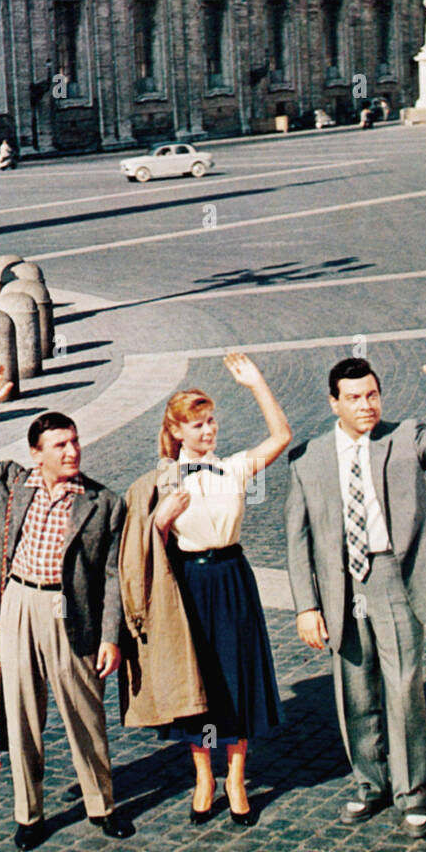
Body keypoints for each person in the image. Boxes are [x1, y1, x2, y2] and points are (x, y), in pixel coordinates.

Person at [285, 344, 426, 838]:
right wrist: (307, 606)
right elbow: (297, 540)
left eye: (372, 395)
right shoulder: (308, 459)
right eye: (354, 397)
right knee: (354, 689)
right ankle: (369, 783)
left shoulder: (404, 438)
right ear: (333, 403)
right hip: (339, 587)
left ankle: (412, 794)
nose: (366, 405)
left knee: (403, 685)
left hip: (392, 578)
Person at [0, 361, 132, 851]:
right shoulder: (10, 481)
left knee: (84, 712)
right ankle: (29, 814)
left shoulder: (104, 503)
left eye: (74, 442)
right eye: (60, 445)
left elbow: (115, 575)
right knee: (22, 712)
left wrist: (111, 636)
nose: (72, 452)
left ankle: (101, 806)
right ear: (37, 453)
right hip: (19, 603)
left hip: (72, 612)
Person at [124, 353, 292, 827]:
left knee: (236, 677)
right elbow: (141, 551)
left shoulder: (234, 468)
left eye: (211, 421)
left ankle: (237, 777)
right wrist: (160, 522)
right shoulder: (162, 479)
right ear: (177, 432)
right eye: (197, 425)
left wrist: (256, 382)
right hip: (189, 584)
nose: (208, 431)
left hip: (232, 578)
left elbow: (282, 436)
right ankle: (203, 777)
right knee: (196, 680)